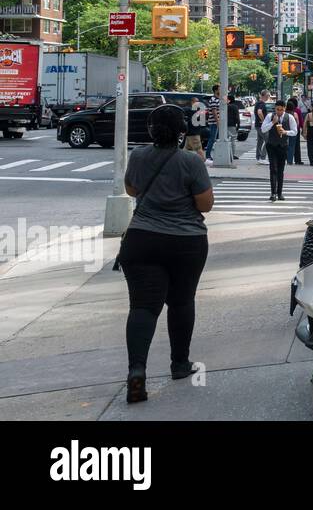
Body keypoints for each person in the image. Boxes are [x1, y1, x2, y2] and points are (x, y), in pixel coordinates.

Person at [118, 103, 214, 404]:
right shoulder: (191, 161)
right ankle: (179, 363)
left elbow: (132, 190)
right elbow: (205, 205)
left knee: (143, 307)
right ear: (181, 130)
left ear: (151, 130)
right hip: (186, 242)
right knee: (181, 301)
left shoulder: (139, 155)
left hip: (141, 239)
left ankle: (137, 370)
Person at [261, 99, 297, 202]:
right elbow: (263, 129)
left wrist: (286, 132)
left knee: (281, 170)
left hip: (283, 146)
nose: (279, 112)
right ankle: (273, 193)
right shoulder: (270, 116)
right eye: (277, 109)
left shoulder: (289, 117)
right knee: (273, 169)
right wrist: (272, 122)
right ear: (275, 108)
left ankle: (280, 193)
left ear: (284, 109)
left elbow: (295, 131)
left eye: (281, 110)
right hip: (271, 145)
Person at [203, 85, 220, 164]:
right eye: (220, 88)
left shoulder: (218, 99)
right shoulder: (213, 99)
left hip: (216, 122)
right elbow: (214, 111)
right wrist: (218, 122)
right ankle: (208, 156)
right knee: (212, 139)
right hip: (214, 122)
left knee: (215, 139)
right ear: (216, 90)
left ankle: (212, 155)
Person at [253, 90, 271, 164]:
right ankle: (262, 158)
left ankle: (258, 157)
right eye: (268, 96)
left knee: (260, 141)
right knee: (268, 141)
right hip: (261, 126)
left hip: (258, 125)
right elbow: (259, 112)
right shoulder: (262, 104)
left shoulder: (257, 103)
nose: (268, 97)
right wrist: (264, 122)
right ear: (265, 96)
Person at [286, 97, 304, 165]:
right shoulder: (297, 111)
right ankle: (297, 160)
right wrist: (302, 128)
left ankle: (287, 158)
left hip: (286, 130)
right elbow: (300, 121)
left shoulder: (284, 112)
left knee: (286, 145)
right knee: (296, 145)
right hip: (295, 130)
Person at [226, 94, 241, 161]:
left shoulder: (225, 106)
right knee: (233, 140)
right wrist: (238, 124)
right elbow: (237, 117)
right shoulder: (235, 107)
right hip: (232, 125)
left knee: (225, 140)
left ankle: (226, 154)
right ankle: (232, 154)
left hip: (224, 125)